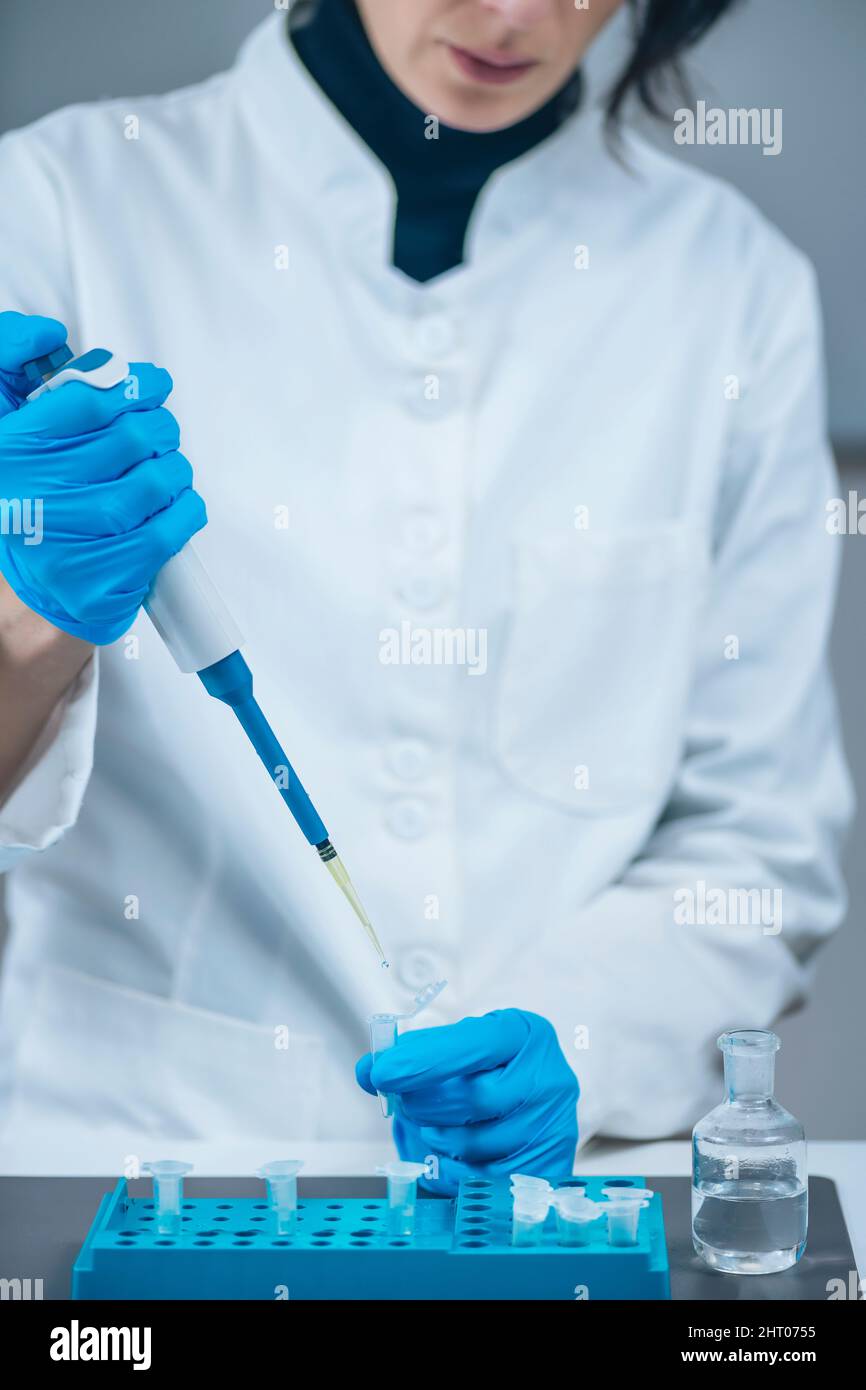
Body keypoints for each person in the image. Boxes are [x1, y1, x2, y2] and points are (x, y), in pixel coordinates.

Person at [0, 0, 851, 1187]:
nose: (512, 16)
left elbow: (756, 841)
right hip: (122, 1168)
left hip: (539, 1205)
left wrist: (580, 1040)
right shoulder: (51, 208)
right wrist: (29, 621)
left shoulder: (730, 286)